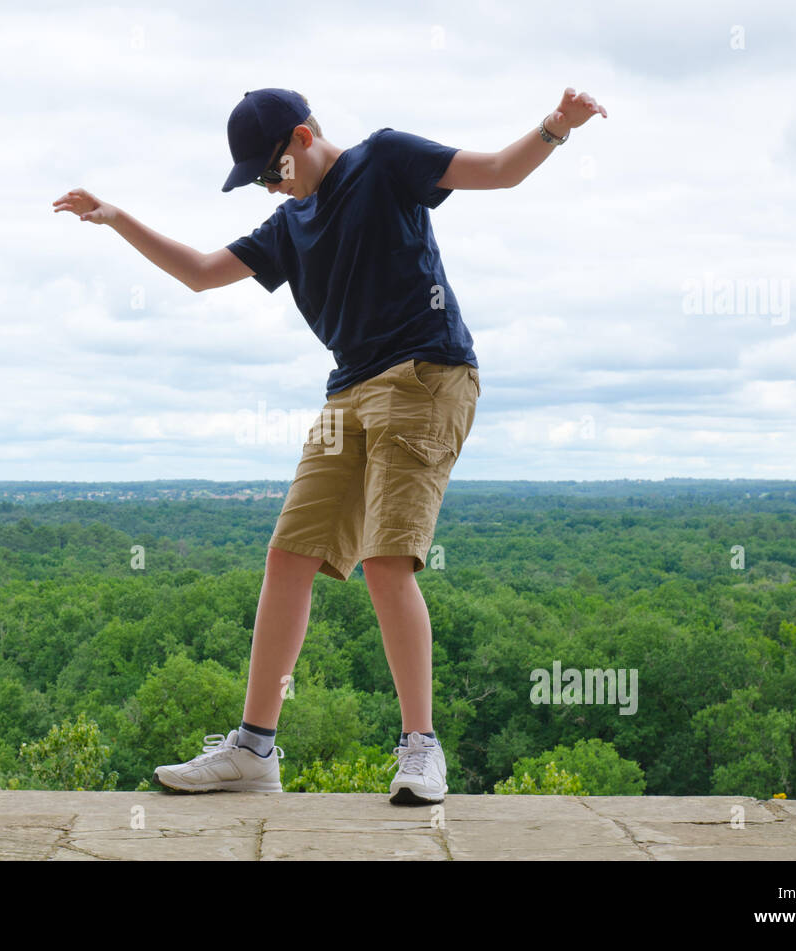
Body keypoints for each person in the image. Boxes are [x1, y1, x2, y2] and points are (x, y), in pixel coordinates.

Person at [53, 86, 607, 804]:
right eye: (259, 177)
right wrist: (118, 218)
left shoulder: (385, 160)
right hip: (348, 389)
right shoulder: (289, 225)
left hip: (426, 372)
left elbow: (499, 169)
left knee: (385, 559)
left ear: (305, 134)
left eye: (274, 167)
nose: (271, 182)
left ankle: (420, 748)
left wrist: (555, 127)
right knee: (289, 554)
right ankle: (254, 749)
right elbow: (198, 273)